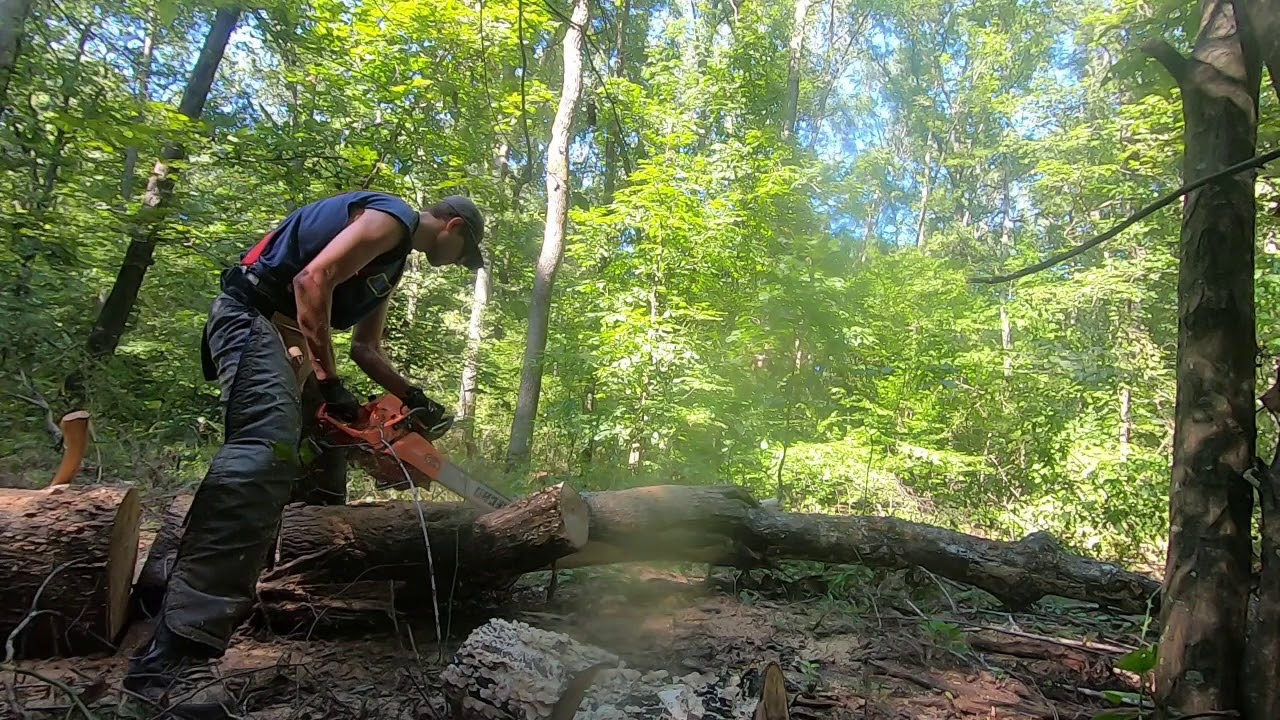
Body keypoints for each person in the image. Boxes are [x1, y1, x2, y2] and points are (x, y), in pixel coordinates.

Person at [123, 191, 485, 718]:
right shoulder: (394, 218)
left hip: (292, 338)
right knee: (264, 451)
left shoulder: (393, 265)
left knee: (325, 459)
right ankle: (174, 656)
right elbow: (309, 281)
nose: (459, 264)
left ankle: (292, 602)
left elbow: (367, 348)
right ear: (453, 226)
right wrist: (329, 382)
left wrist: (412, 397)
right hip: (254, 318)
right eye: (465, 253)